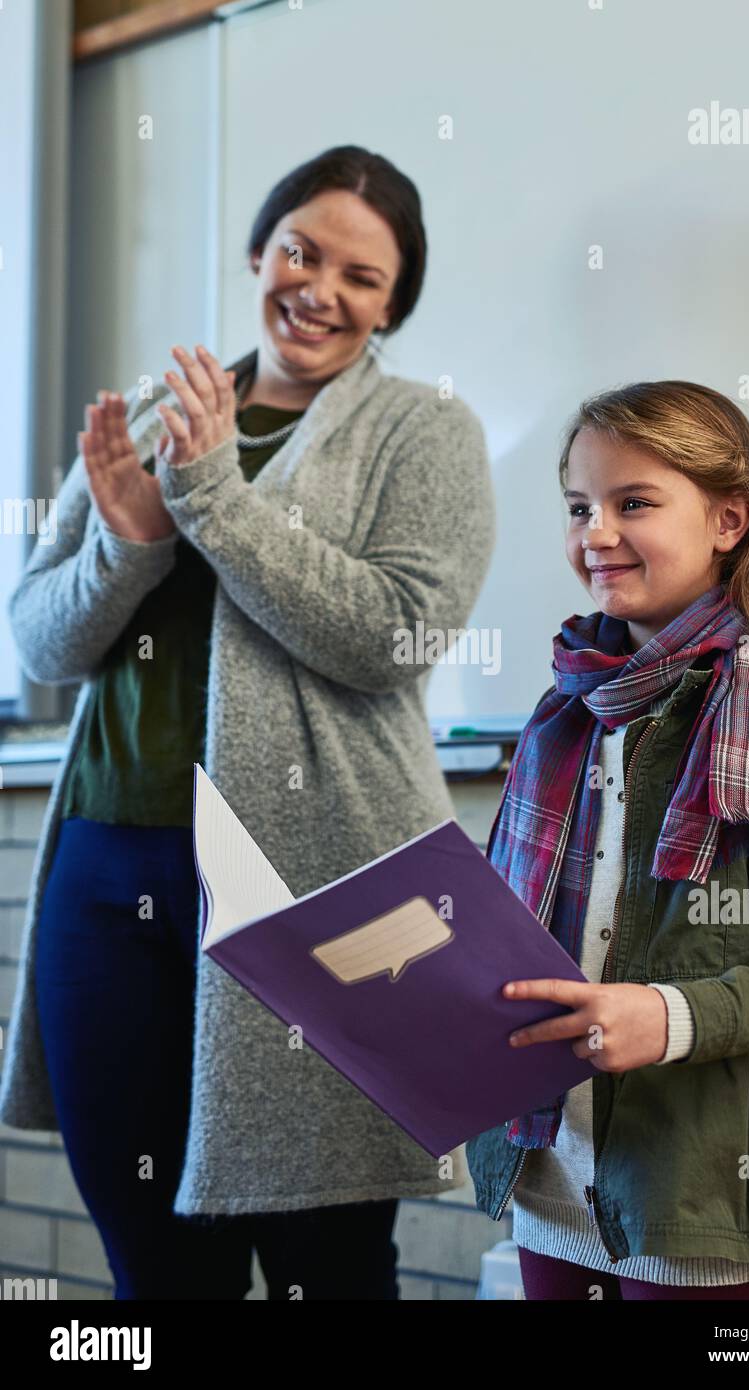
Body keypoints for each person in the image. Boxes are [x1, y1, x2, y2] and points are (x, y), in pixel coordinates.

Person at [0, 145, 496, 1300]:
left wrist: (215, 499)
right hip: (104, 868)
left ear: (392, 306)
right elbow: (39, 645)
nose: (319, 288)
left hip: (312, 880)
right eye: (299, 251)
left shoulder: (423, 433)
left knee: (327, 1266)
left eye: (361, 277)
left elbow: (395, 634)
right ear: (256, 255)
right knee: (157, 1271)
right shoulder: (148, 414)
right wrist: (129, 545)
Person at [466, 380, 749, 1301]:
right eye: (578, 507)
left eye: (632, 503)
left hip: (692, 1185)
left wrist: (667, 1016)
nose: (594, 533)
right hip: (546, 1165)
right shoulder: (564, 708)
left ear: (728, 519)